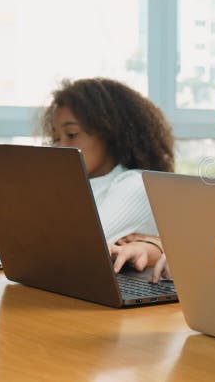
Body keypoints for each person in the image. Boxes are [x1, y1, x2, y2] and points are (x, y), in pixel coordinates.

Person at [42, 77, 174, 282]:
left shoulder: (135, 184)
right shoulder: (74, 187)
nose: (60, 147)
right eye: (56, 138)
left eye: (72, 134)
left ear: (110, 134)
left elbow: (72, 251)